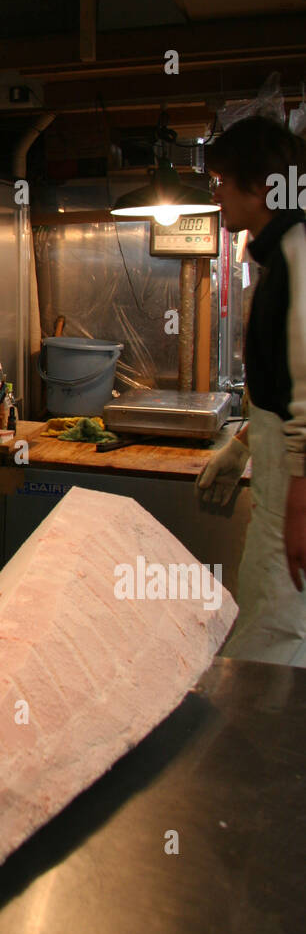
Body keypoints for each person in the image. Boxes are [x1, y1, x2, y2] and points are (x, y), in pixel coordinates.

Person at [197, 115, 306, 665]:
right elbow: (279, 384)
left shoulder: (296, 254)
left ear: (261, 188)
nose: (215, 194)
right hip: (278, 480)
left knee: (275, 636)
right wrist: (242, 443)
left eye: (220, 181)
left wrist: (301, 503)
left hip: (293, 490)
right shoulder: (275, 251)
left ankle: (263, 750)